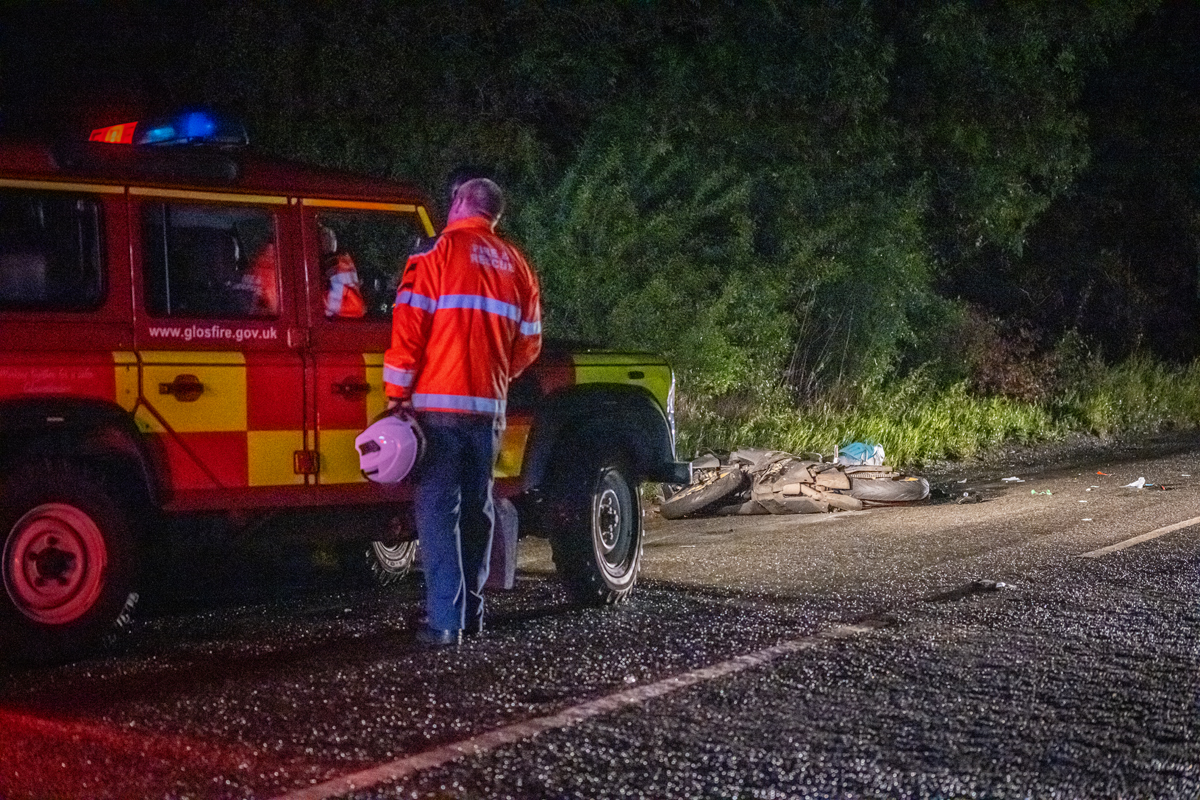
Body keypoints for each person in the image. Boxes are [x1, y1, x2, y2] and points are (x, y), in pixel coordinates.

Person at [383, 177, 542, 646]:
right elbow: (530, 344)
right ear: (494, 215)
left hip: (437, 409)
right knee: (478, 511)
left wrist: (396, 394)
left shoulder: (435, 254)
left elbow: (408, 328)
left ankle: (444, 621)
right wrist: (495, 376)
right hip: (488, 411)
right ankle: (472, 615)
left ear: (459, 204)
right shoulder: (518, 265)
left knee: (437, 514)